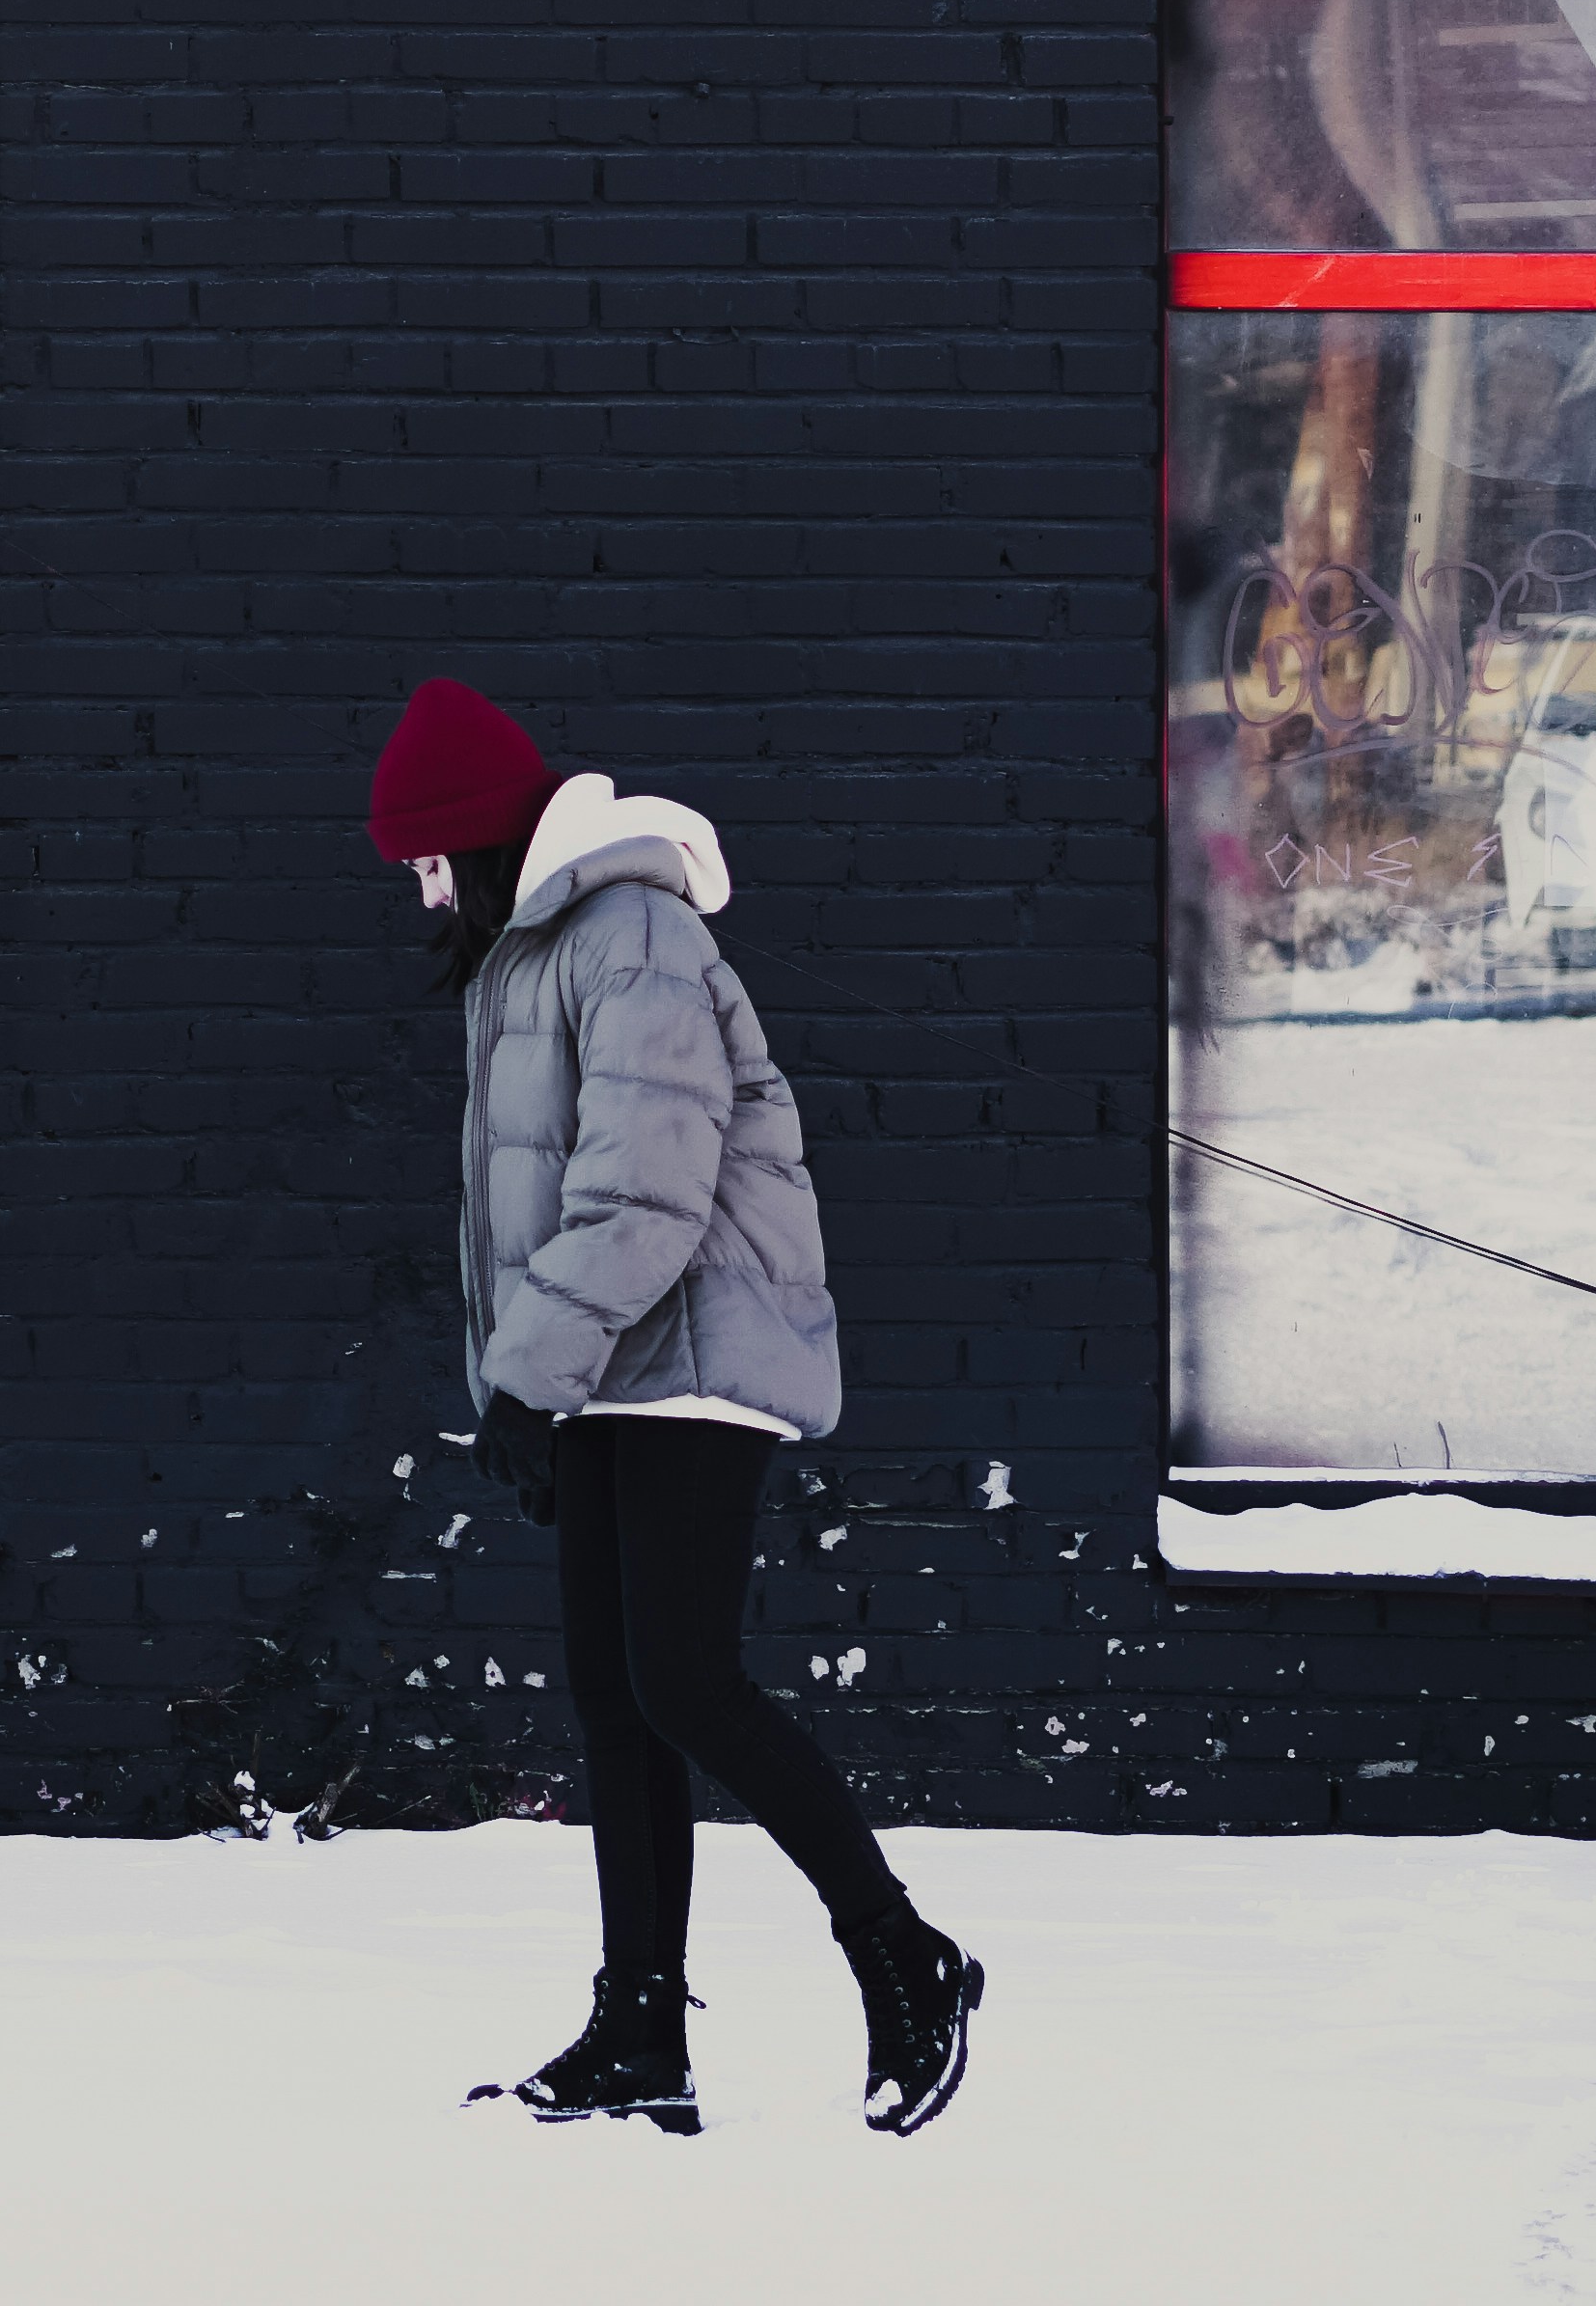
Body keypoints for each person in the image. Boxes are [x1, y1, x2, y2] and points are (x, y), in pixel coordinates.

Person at [368, 676, 987, 2140]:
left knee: (686, 1678)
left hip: (697, 1357)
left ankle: (905, 1955)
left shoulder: (634, 937)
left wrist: (528, 1378)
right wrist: (534, 1383)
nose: (420, 896)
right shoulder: (534, 952)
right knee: (614, 1687)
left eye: (426, 866)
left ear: (474, 839)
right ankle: (642, 2028)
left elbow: (643, 1189)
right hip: (615, 1366)